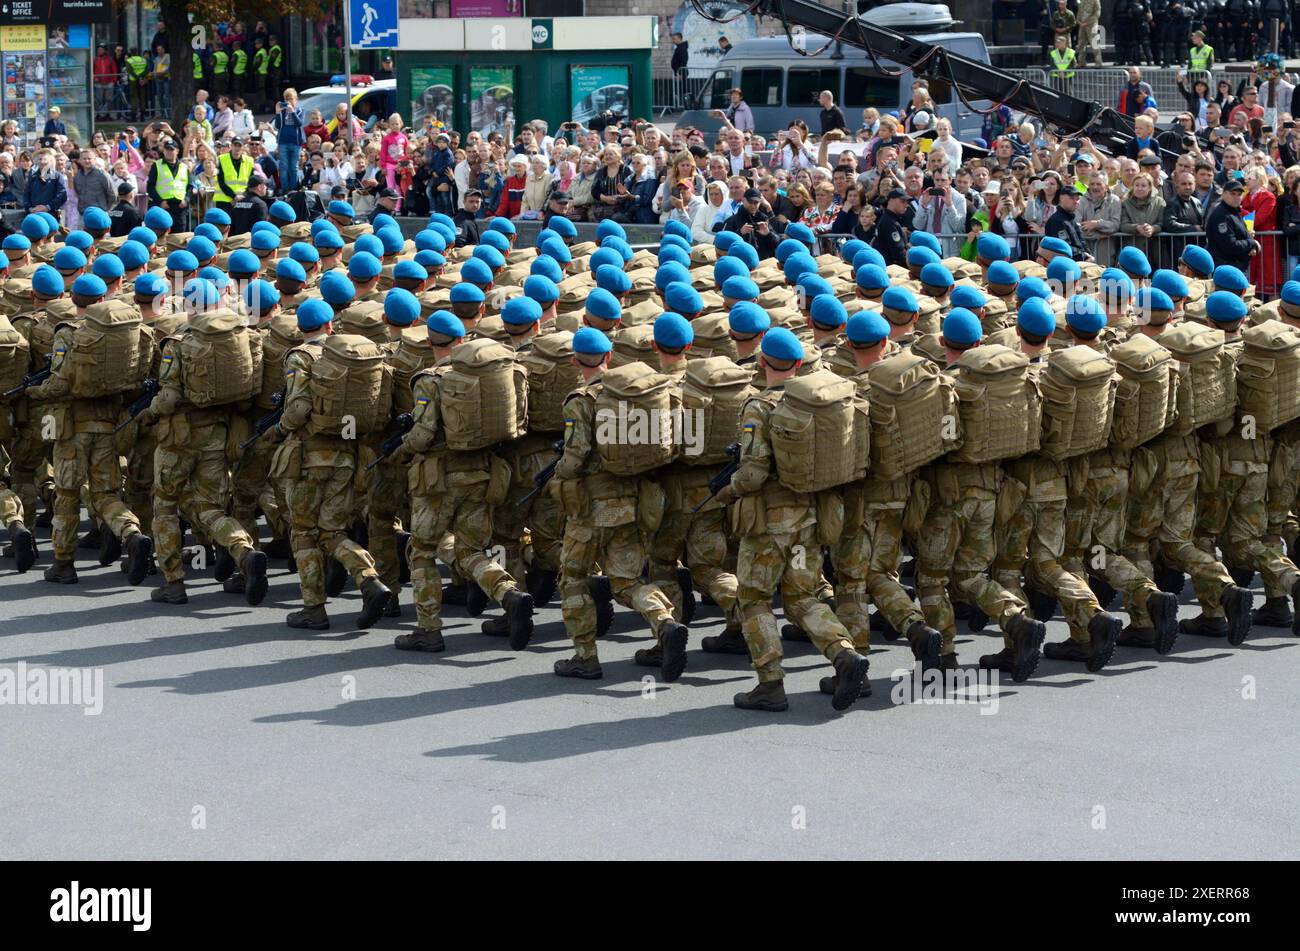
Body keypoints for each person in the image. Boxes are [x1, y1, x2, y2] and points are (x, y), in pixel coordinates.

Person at [1205, 177, 1257, 270]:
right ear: (1224, 194)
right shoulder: (1221, 215)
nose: (1237, 197)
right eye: (1233, 194)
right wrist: (1252, 243)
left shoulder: (1234, 212)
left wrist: (1252, 246)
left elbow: (1242, 234)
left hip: (1236, 266)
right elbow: (1230, 245)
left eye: (1239, 194)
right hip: (1225, 266)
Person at [272, 89, 305, 193]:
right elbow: (277, 126)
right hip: (283, 142)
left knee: (294, 167)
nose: (289, 101)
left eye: (291, 98)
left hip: (295, 143)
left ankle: (293, 189)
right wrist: (277, 112)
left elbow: (299, 123)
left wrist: (293, 112)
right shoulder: (282, 111)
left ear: (296, 99)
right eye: (287, 99)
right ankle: (285, 189)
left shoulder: (300, 110)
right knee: (284, 166)